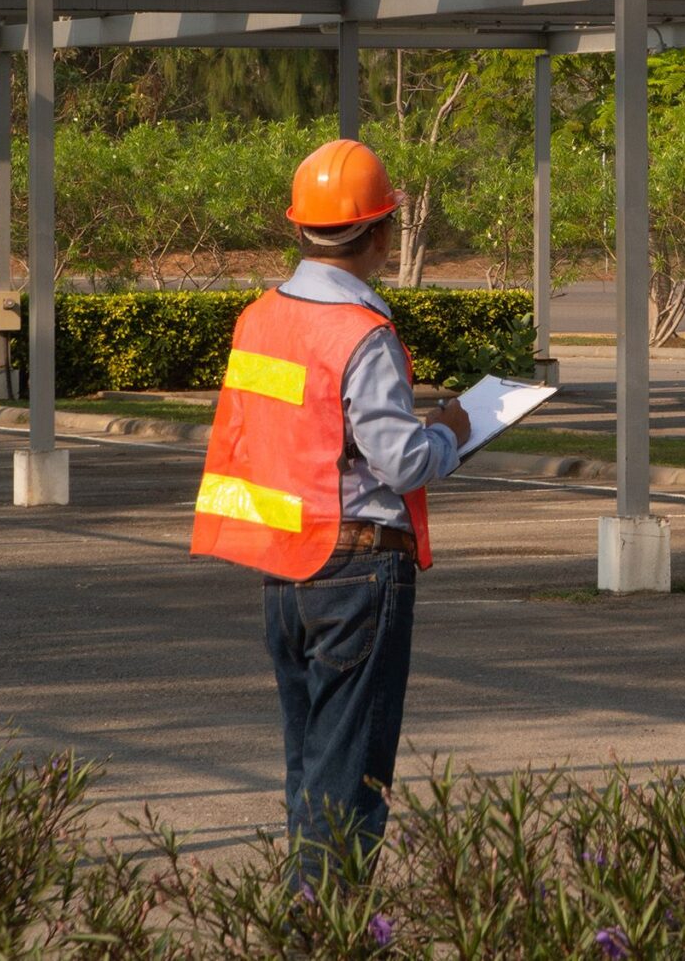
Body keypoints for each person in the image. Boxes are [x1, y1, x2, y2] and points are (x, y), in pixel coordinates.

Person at [189, 137, 472, 884]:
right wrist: (454, 428)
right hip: (357, 572)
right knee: (347, 787)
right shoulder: (362, 334)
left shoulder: (259, 319)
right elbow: (403, 461)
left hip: (286, 571)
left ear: (301, 227)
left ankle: (304, 922)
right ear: (382, 233)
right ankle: (322, 929)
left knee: (312, 775)